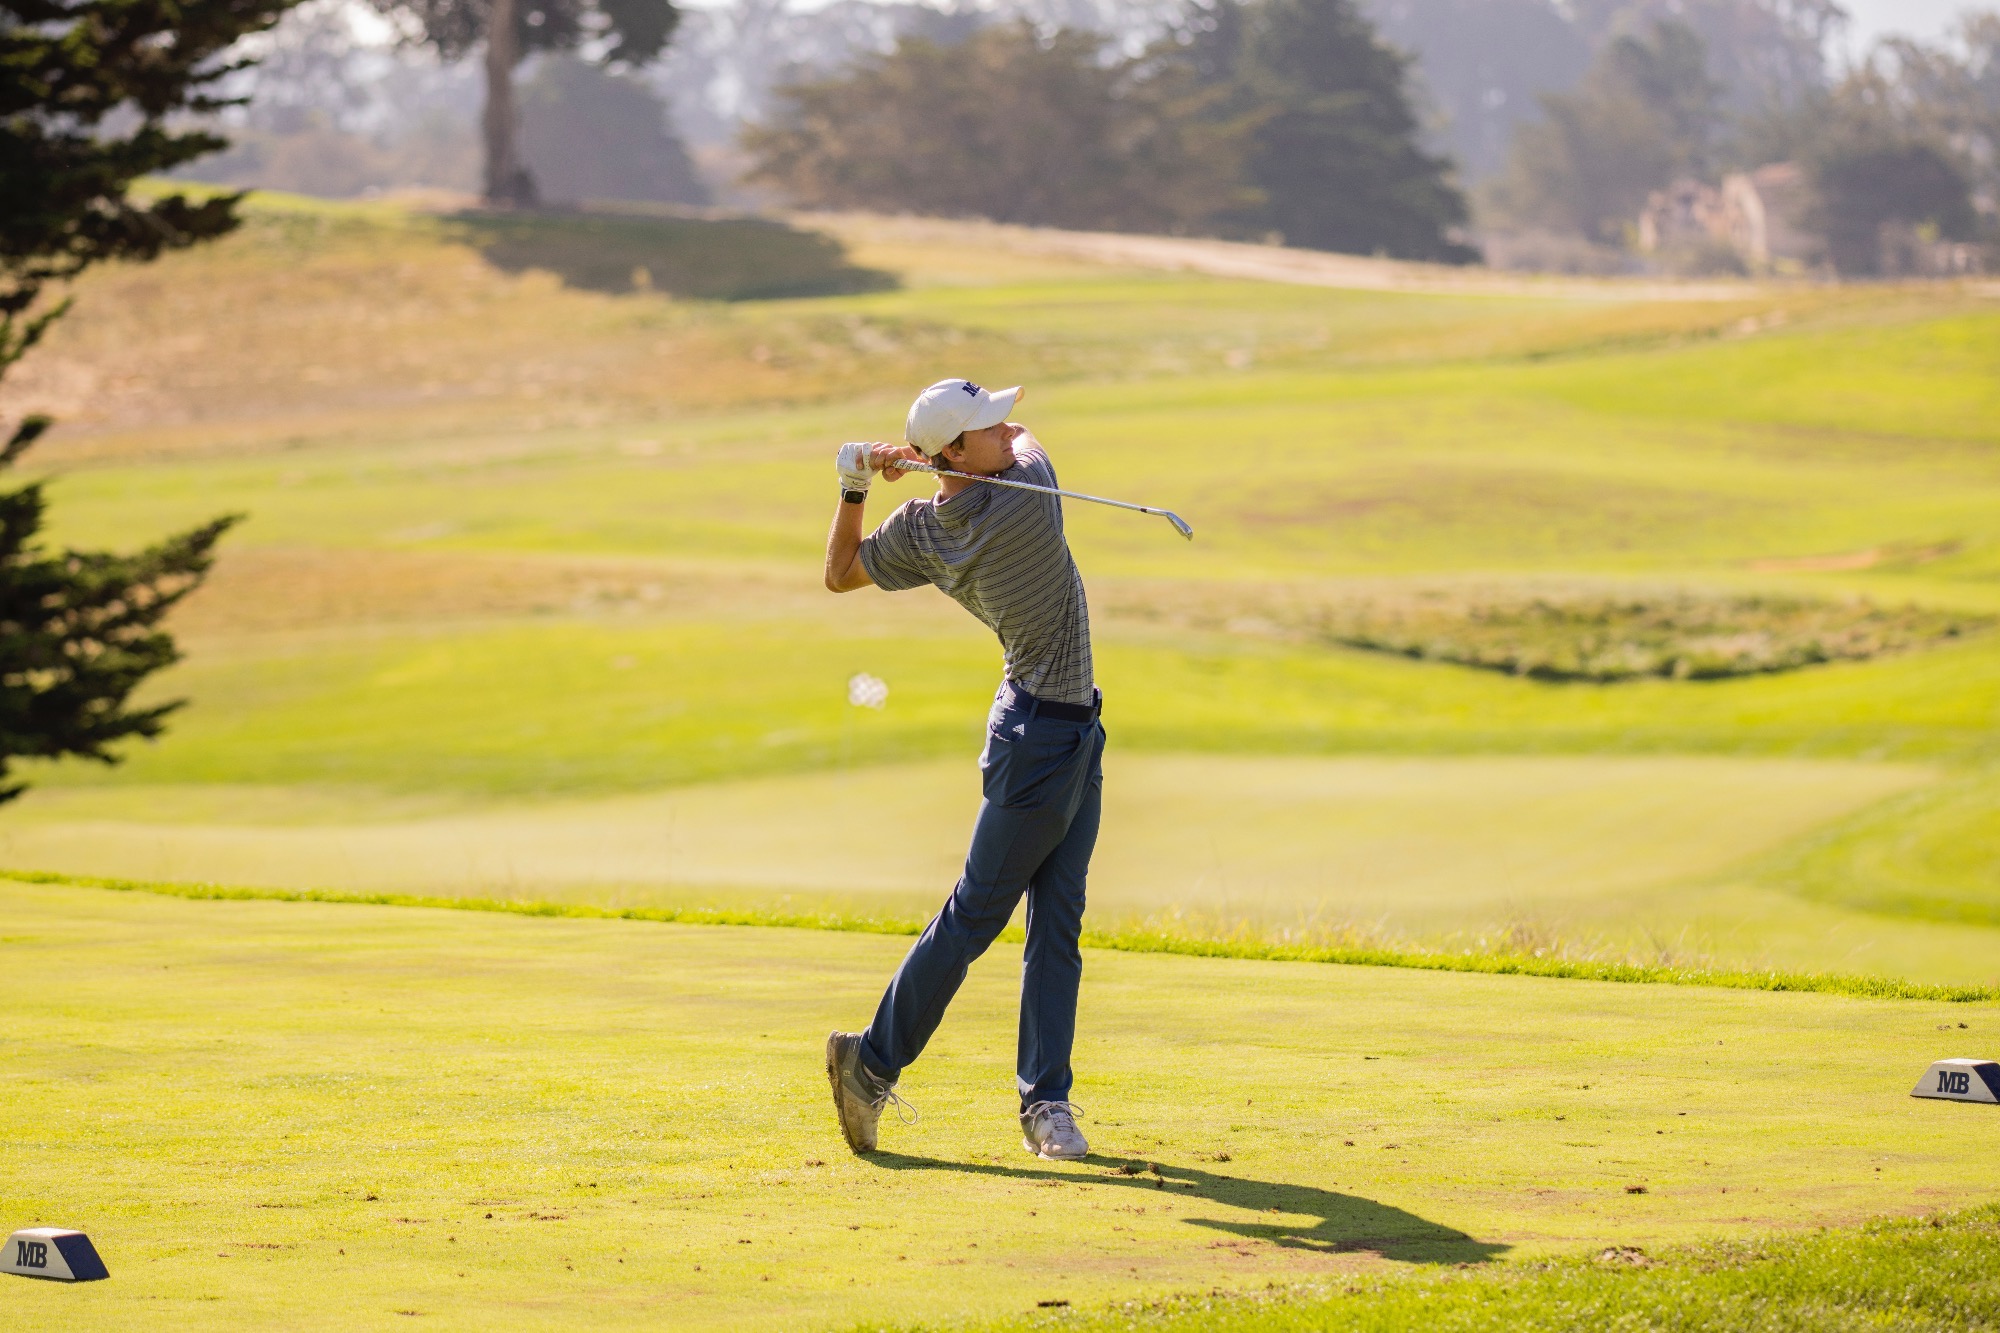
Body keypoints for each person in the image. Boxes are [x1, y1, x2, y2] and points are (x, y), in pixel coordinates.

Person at [821, 378, 1104, 1161]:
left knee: (1058, 919)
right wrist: (919, 458)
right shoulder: (1027, 496)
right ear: (954, 451)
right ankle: (870, 1062)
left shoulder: (921, 529)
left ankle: (1046, 1102)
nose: (1003, 422)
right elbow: (1028, 437)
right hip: (1042, 738)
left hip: (1062, 724)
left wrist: (856, 484)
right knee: (976, 914)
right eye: (981, 424)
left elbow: (840, 572)